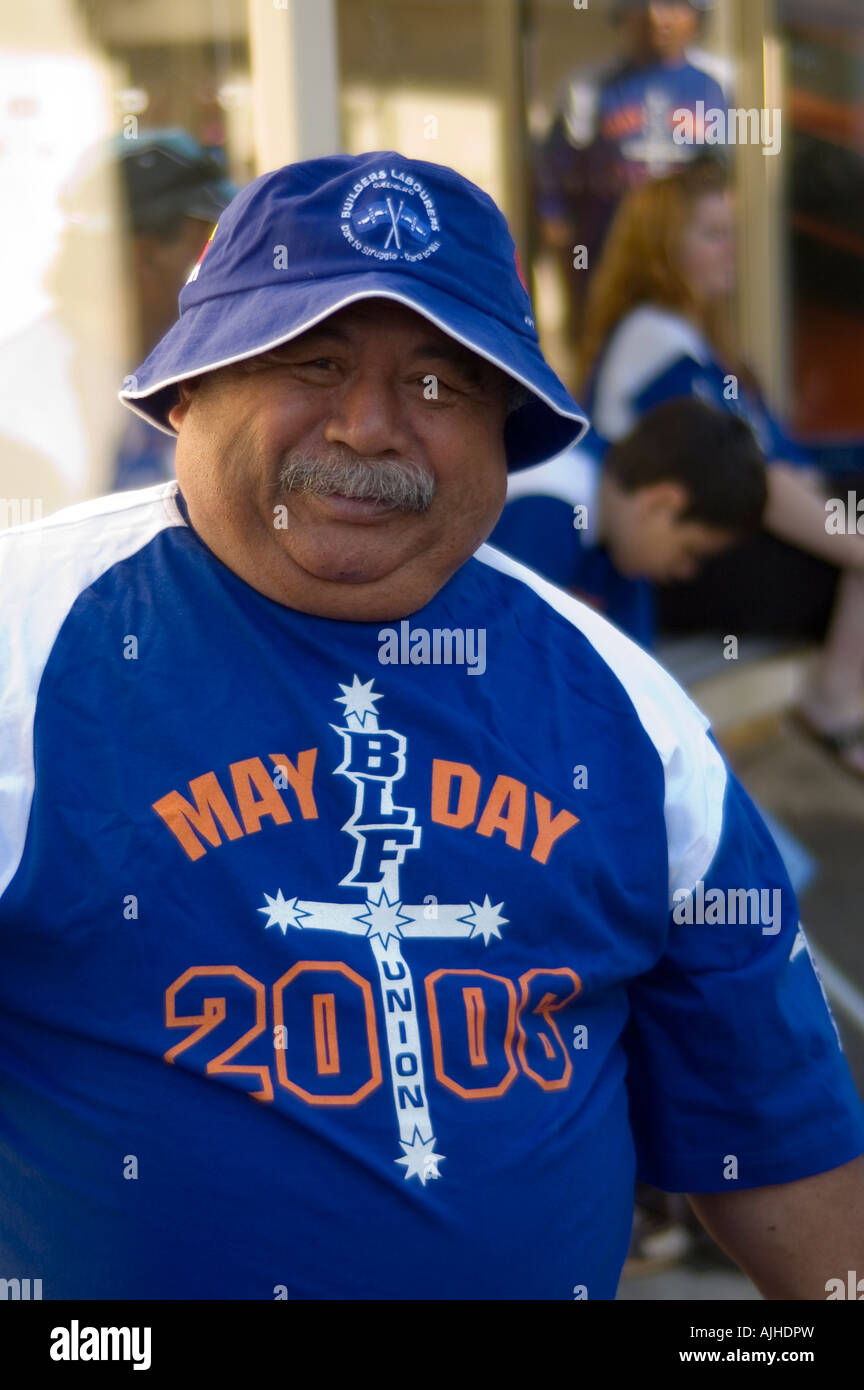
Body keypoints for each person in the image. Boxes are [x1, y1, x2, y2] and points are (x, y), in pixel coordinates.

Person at [1, 152, 862, 1301]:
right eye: (313, 359)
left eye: (442, 382)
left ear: (508, 432)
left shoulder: (633, 719)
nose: (370, 426)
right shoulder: (28, 642)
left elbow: (782, 1139)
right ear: (186, 391)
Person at [580, 157, 864, 779]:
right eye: (712, 234)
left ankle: (839, 699)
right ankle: (836, 703)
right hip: (677, 564)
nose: (733, 250)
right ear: (661, 249)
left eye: (732, 231)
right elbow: (746, 487)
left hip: (732, 553)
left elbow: (794, 468)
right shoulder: (651, 335)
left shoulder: (710, 347)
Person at [491, 396, 766, 649]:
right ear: (661, 503)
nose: (686, 571)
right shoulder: (548, 510)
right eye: (690, 552)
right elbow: (507, 651)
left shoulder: (623, 529)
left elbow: (634, 659)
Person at [536, 0, 727, 350]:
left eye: (673, 5)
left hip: (690, 283)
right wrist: (574, 301)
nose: (657, 17)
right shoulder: (587, 90)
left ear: (696, 14)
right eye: (642, 4)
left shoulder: (719, 90)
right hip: (610, 276)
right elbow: (555, 213)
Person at [112, 130, 237, 490]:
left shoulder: (208, 360)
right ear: (144, 256)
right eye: (208, 246)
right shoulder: (37, 387)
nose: (226, 267)